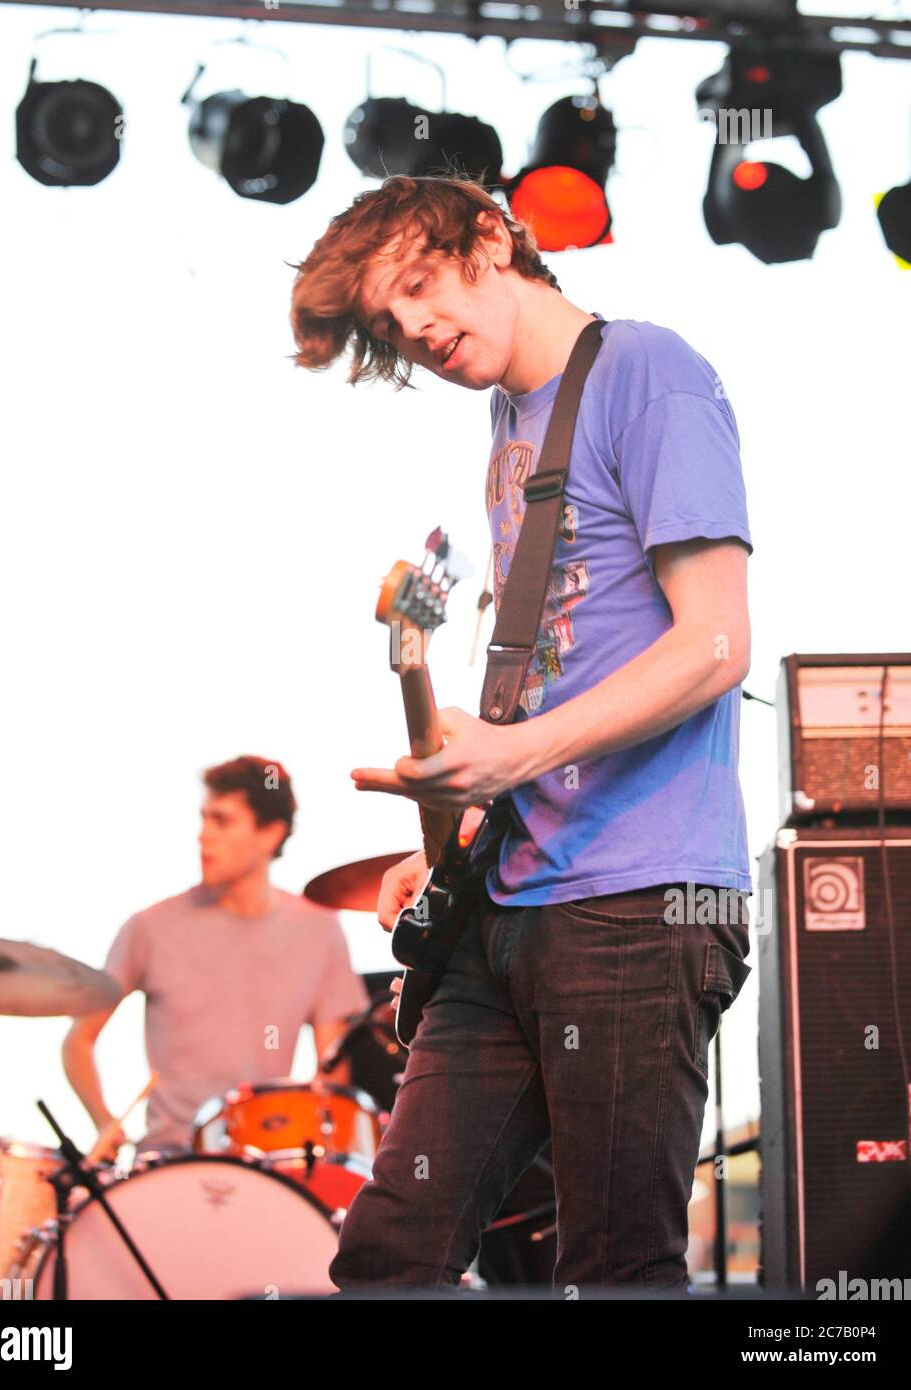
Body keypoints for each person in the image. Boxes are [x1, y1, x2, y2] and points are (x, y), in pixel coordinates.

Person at [288, 173, 755, 1294]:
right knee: (388, 1258)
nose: (416, 329)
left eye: (417, 284)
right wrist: (450, 838)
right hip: (508, 903)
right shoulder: (508, 424)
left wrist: (514, 758)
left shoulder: (649, 372)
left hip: (637, 905)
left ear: (490, 237)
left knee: (614, 1270)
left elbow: (715, 646)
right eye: (391, 325)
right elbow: (550, 680)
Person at [63, 755, 370, 1159]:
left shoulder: (320, 929)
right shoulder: (149, 927)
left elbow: (331, 1071)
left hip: (265, 1159)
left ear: (270, 834)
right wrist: (104, 1120)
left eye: (221, 821)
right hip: (168, 1157)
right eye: (203, 818)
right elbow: (79, 1040)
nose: (203, 836)